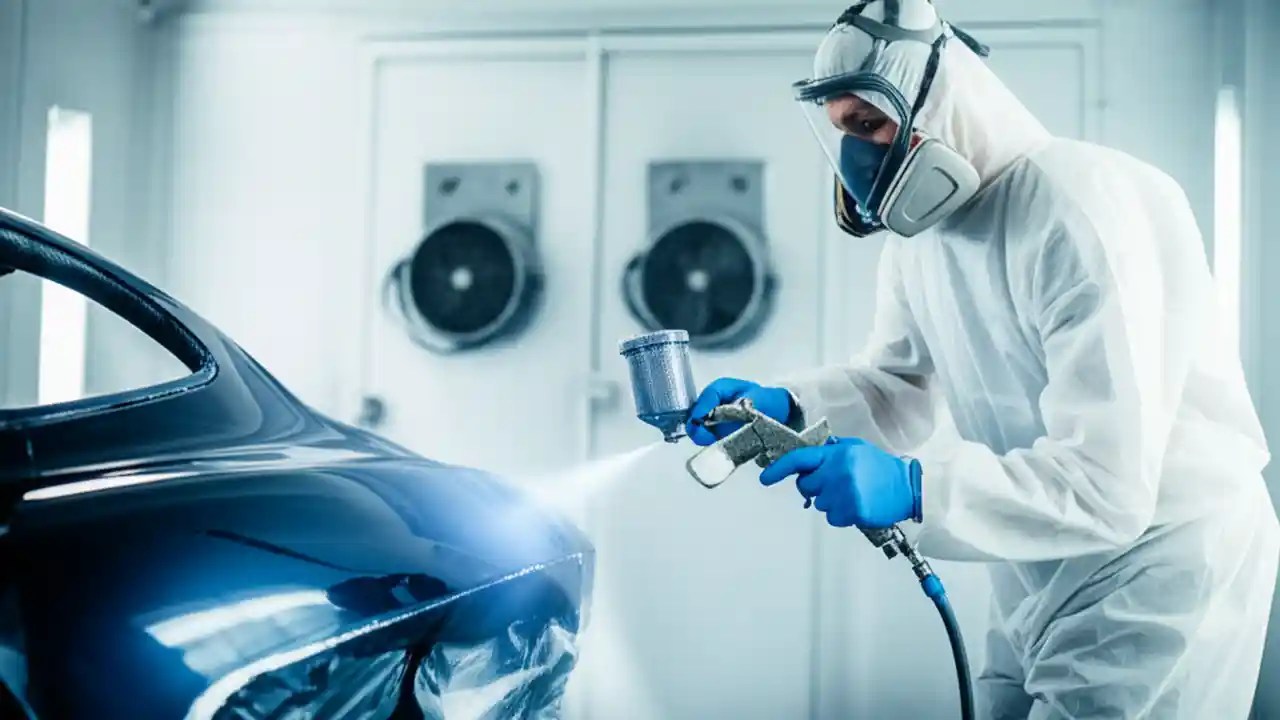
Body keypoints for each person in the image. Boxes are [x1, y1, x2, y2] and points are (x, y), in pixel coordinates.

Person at [685, 1, 1280, 718]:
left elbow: (1109, 485)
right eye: (842, 129)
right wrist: (789, 407)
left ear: (940, 105)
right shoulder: (923, 235)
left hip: (1160, 558)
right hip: (1037, 551)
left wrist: (912, 487)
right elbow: (897, 387)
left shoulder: (1077, 207)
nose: (856, 156)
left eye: (869, 124)